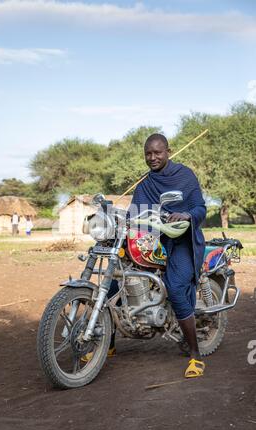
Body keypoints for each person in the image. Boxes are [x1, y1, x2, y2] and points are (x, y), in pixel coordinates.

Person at [84, 133, 206, 378]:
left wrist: (187, 215)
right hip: (152, 240)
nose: (152, 158)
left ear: (168, 151)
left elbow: (200, 207)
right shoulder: (146, 184)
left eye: (157, 153)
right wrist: (116, 227)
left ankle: (195, 355)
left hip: (181, 240)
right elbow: (134, 216)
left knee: (175, 286)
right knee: (116, 283)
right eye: (148, 154)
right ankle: (106, 344)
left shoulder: (185, 176)